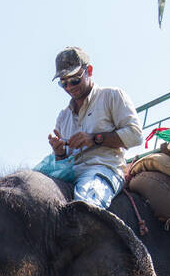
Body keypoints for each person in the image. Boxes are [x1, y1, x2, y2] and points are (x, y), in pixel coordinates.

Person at [47, 46, 144, 208]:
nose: (69, 87)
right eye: (63, 83)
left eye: (75, 80)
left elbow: (135, 135)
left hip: (102, 170)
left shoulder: (111, 96)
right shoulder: (63, 117)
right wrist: (59, 152)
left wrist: (95, 139)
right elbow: (62, 161)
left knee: (85, 206)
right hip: (69, 174)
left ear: (89, 70)